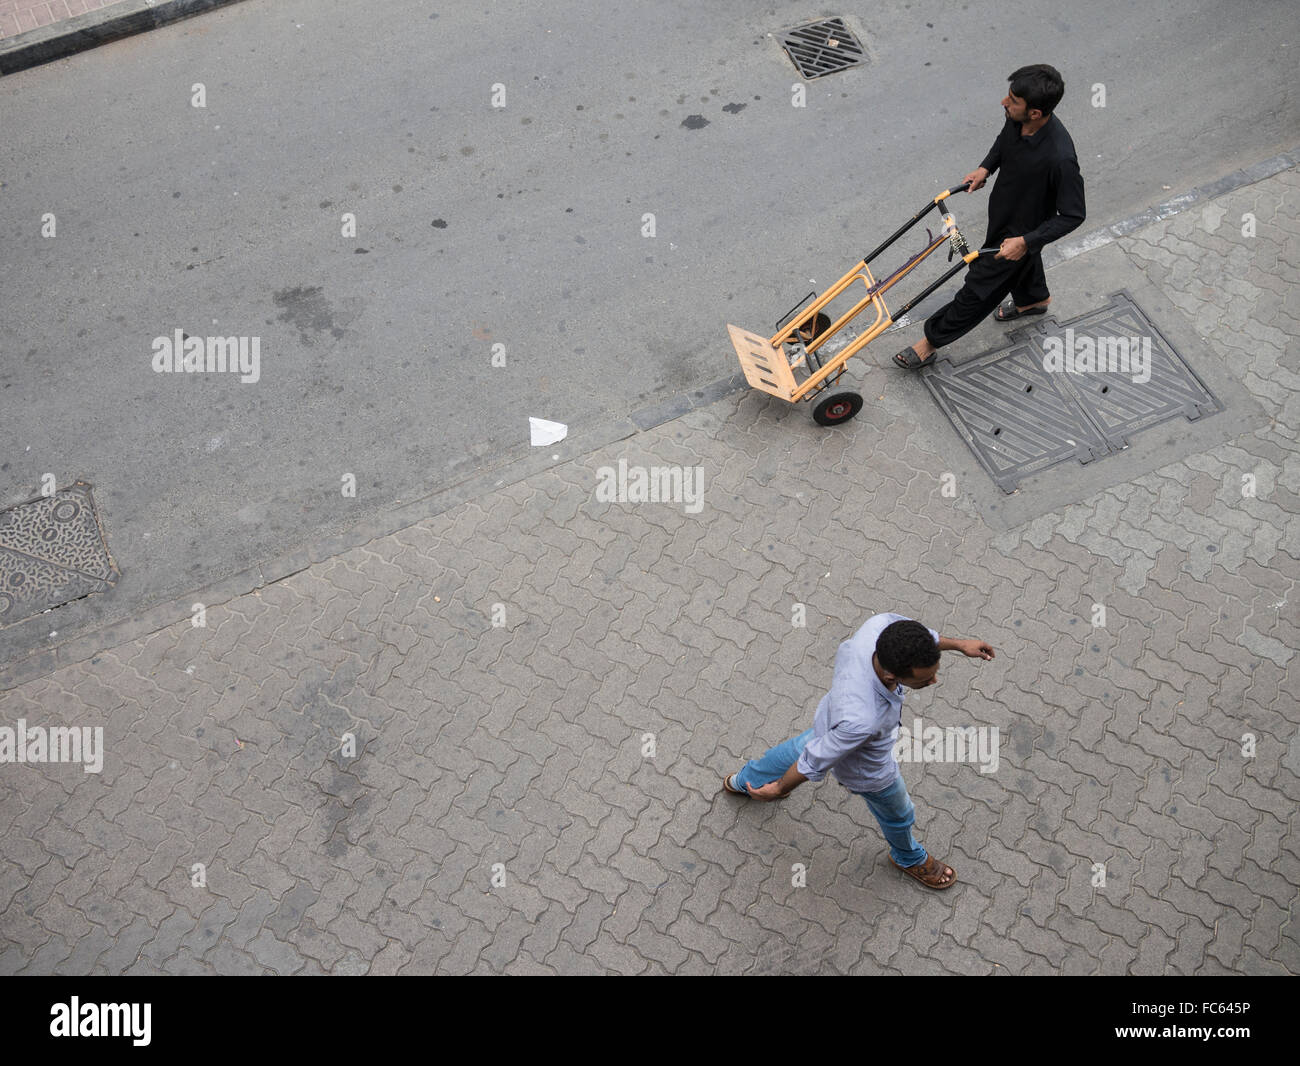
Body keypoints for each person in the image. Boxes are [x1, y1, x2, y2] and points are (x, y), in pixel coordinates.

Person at [722, 614, 995, 890]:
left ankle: (745, 781)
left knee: (799, 747)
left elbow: (922, 636)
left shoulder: (879, 628)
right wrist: (779, 790)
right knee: (899, 814)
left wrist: (959, 645)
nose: (934, 680)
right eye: (925, 679)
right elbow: (815, 761)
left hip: (829, 720)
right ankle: (908, 857)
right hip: (866, 769)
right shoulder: (862, 719)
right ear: (891, 676)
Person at [893, 63, 1086, 370]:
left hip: (1018, 234)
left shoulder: (1060, 158)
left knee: (979, 288)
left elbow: (1074, 215)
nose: (1004, 103)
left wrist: (1026, 241)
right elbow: (1003, 142)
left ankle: (930, 342)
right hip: (1004, 215)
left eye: (1012, 100)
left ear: (1035, 112)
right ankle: (1034, 300)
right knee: (1023, 265)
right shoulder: (1017, 120)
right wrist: (986, 168)